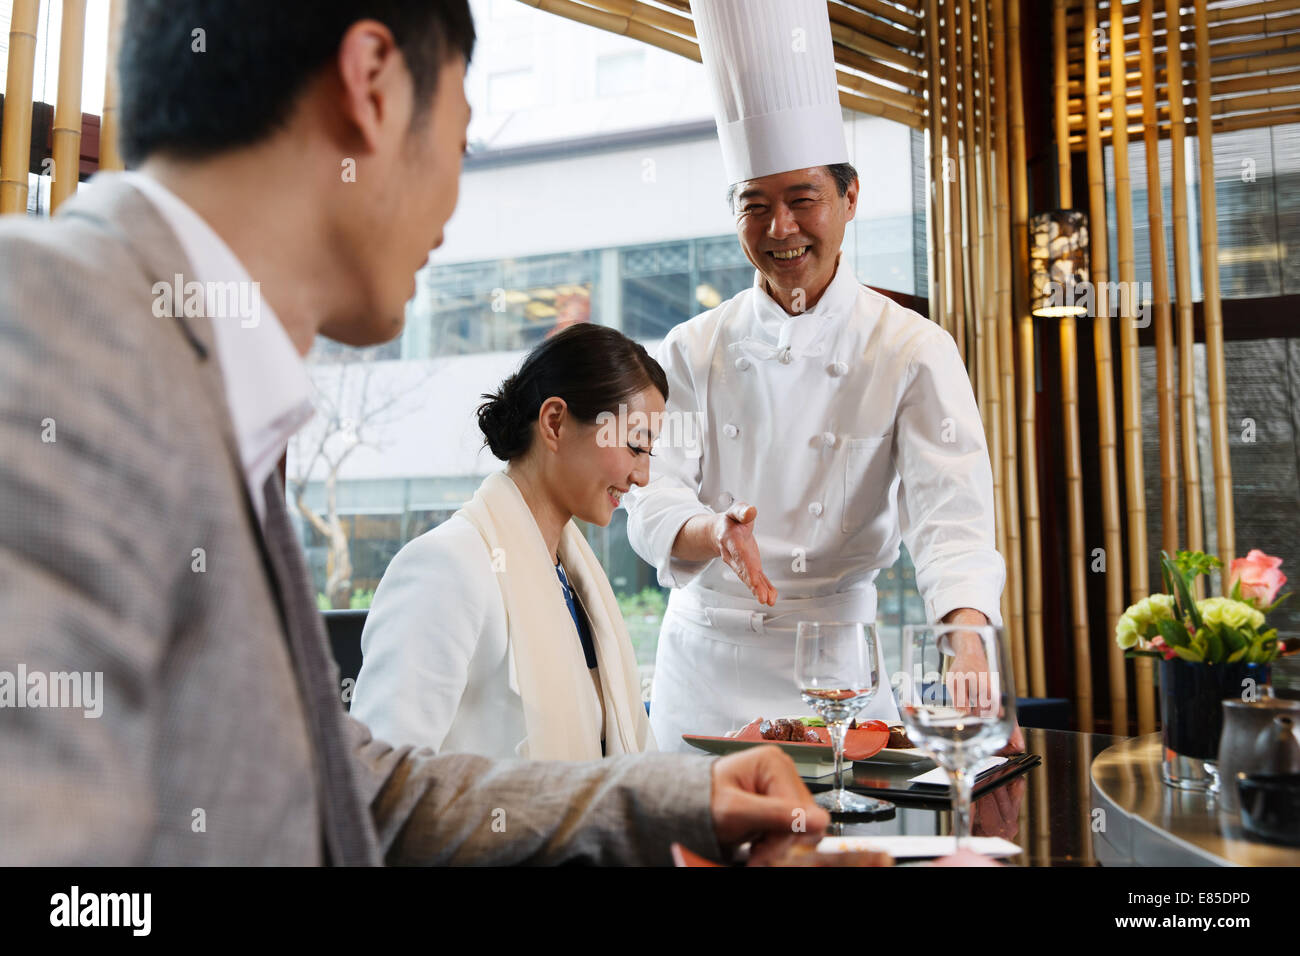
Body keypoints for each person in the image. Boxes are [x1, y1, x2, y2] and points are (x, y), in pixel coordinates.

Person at [0, 0, 829, 865]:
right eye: (460, 144)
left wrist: (684, 799)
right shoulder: (53, 336)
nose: (454, 198)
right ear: (371, 86)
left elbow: (364, 795)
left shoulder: (206, 389)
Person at [622, 0, 1024, 755]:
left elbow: (951, 513)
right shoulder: (690, 347)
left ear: (850, 198)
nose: (781, 229)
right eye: (756, 206)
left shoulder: (913, 348)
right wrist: (715, 531)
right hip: (703, 670)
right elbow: (650, 495)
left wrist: (966, 634)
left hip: (837, 670)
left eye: (802, 199)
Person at [352, 324, 662, 760]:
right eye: (634, 446)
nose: (642, 475)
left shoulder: (573, 577)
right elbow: (380, 776)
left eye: (651, 452)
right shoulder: (447, 566)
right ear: (554, 423)